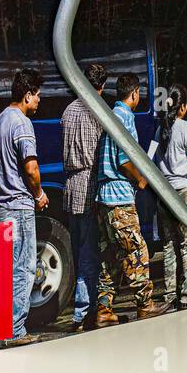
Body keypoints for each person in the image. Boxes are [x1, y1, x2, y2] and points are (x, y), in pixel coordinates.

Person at [94, 73, 170, 326]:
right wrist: (141, 179)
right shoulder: (125, 118)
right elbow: (124, 160)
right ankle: (145, 304)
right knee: (137, 250)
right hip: (120, 196)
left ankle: (104, 309)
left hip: (103, 198)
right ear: (135, 93)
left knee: (112, 256)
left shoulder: (109, 115)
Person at [0, 68, 49, 340]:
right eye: (37, 96)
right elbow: (31, 168)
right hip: (19, 206)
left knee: (5, 271)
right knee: (24, 268)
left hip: (0, 206)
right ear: (27, 95)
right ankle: (15, 330)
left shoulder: (0, 120)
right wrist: (39, 195)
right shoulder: (22, 124)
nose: (39, 101)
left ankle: (2, 325)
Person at [59, 62, 108, 329]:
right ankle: (83, 312)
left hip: (70, 185)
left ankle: (81, 307)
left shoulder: (67, 111)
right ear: (99, 87)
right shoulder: (97, 111)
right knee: (90, 251)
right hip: (89, 184)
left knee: (77, 249)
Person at [155, 83, 187, 307]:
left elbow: (151, 159)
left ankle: (169, 295)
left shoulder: (159, 130)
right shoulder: (185, 127)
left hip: (164, 193)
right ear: (183, 107)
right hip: (182, 190)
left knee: (168, 244)